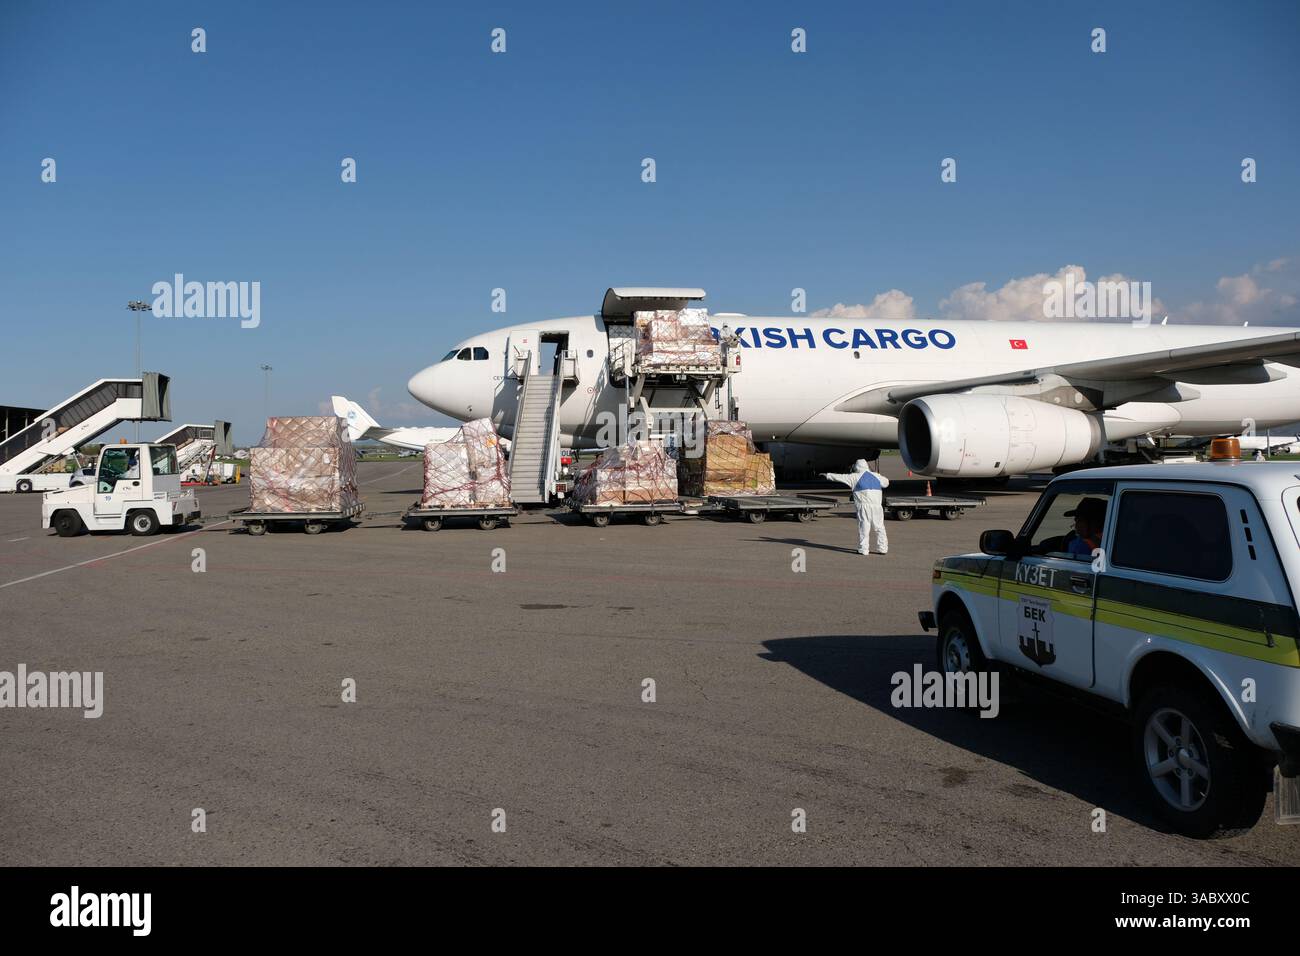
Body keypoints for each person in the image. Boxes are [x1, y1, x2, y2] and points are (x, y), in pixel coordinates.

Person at [823, 458, 890, 555]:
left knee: (864, 527)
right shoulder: (877, 476)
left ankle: (863, 549)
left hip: (864, 506)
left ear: (857, 467)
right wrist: (876, 474)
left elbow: (841, 477)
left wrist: (828, 475)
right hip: (877, 506)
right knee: (880, 527)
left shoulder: (854, 477)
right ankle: (883, 548)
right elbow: (886, 482)